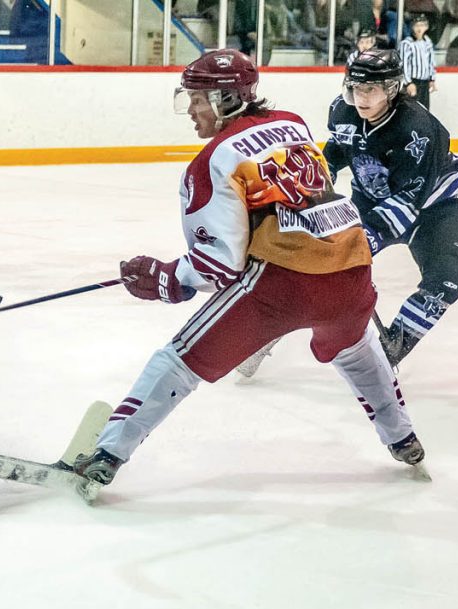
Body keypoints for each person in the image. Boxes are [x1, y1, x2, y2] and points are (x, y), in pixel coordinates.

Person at [66, 49, 424, 490]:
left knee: (178, 360)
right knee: (356, 347)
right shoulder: (292, 122)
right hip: (353, 269)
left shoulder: (212, 161)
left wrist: (166, 279)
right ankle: (402, 437)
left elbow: (220, 266)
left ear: (228, 100)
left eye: (198, 100)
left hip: (283, 285)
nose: (191, 110)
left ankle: (106, 454)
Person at [324, 49, 458, 367]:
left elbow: (409, 199)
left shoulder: (417, 130)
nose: (359, 97)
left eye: (369, 89)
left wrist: (369, 236)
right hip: (370, 201)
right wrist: (322, 172)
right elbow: (338, 148)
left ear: (391, 89)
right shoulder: (342, 111)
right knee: (319, 266)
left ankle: (395, 344)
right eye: (354, 87)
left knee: (449, 276)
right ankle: (267, 338)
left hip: (433, 208)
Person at [398, 14, 436, 111]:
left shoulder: (427, 41)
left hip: (424, 83)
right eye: (417, 25)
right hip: (413, 82)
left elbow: (430, 61)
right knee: (411, 109)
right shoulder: (406, 43)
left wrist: (432, 79)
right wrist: (408, 83)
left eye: (422, 25)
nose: (420, 29)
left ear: (426, 27)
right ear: (412, 27)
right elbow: (403, 64)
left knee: (424, 109)